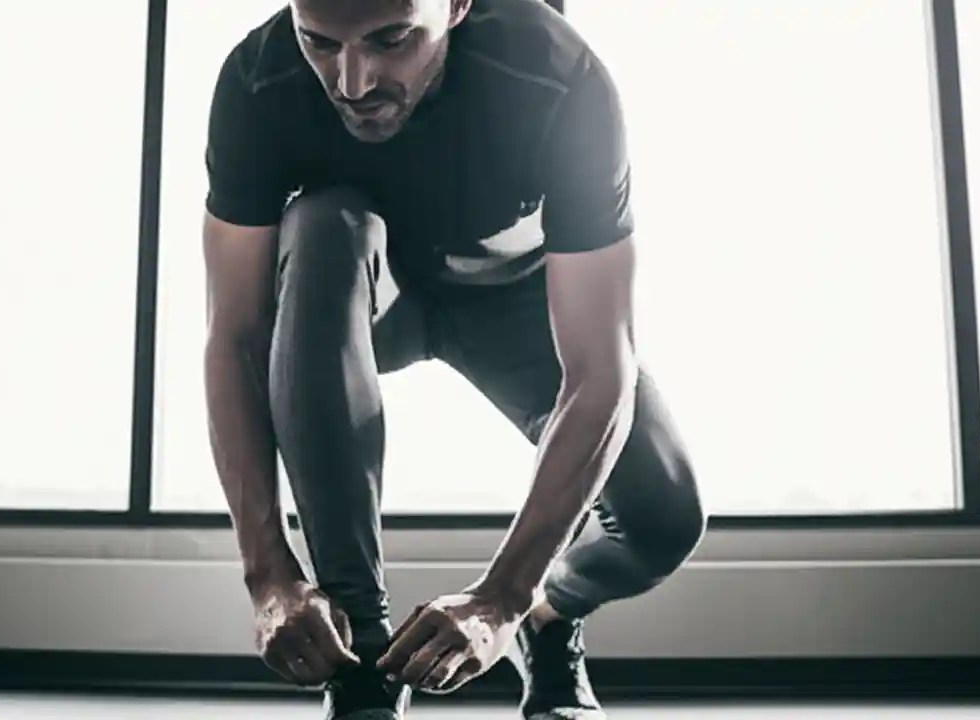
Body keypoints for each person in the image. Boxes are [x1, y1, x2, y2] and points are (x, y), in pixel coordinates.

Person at [202, 0, 706, 717]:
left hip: (512, 302)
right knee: (319, 225)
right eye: (320, 42)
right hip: (364, 293)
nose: (352, 82)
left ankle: (550, 621)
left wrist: (506, 597)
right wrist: (268, 577)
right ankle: (363, 659)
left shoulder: (561, 79)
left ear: (459, 5)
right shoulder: (257, 82)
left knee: (664, 520)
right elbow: (235, 338)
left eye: (391, 39)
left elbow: (601, 367)